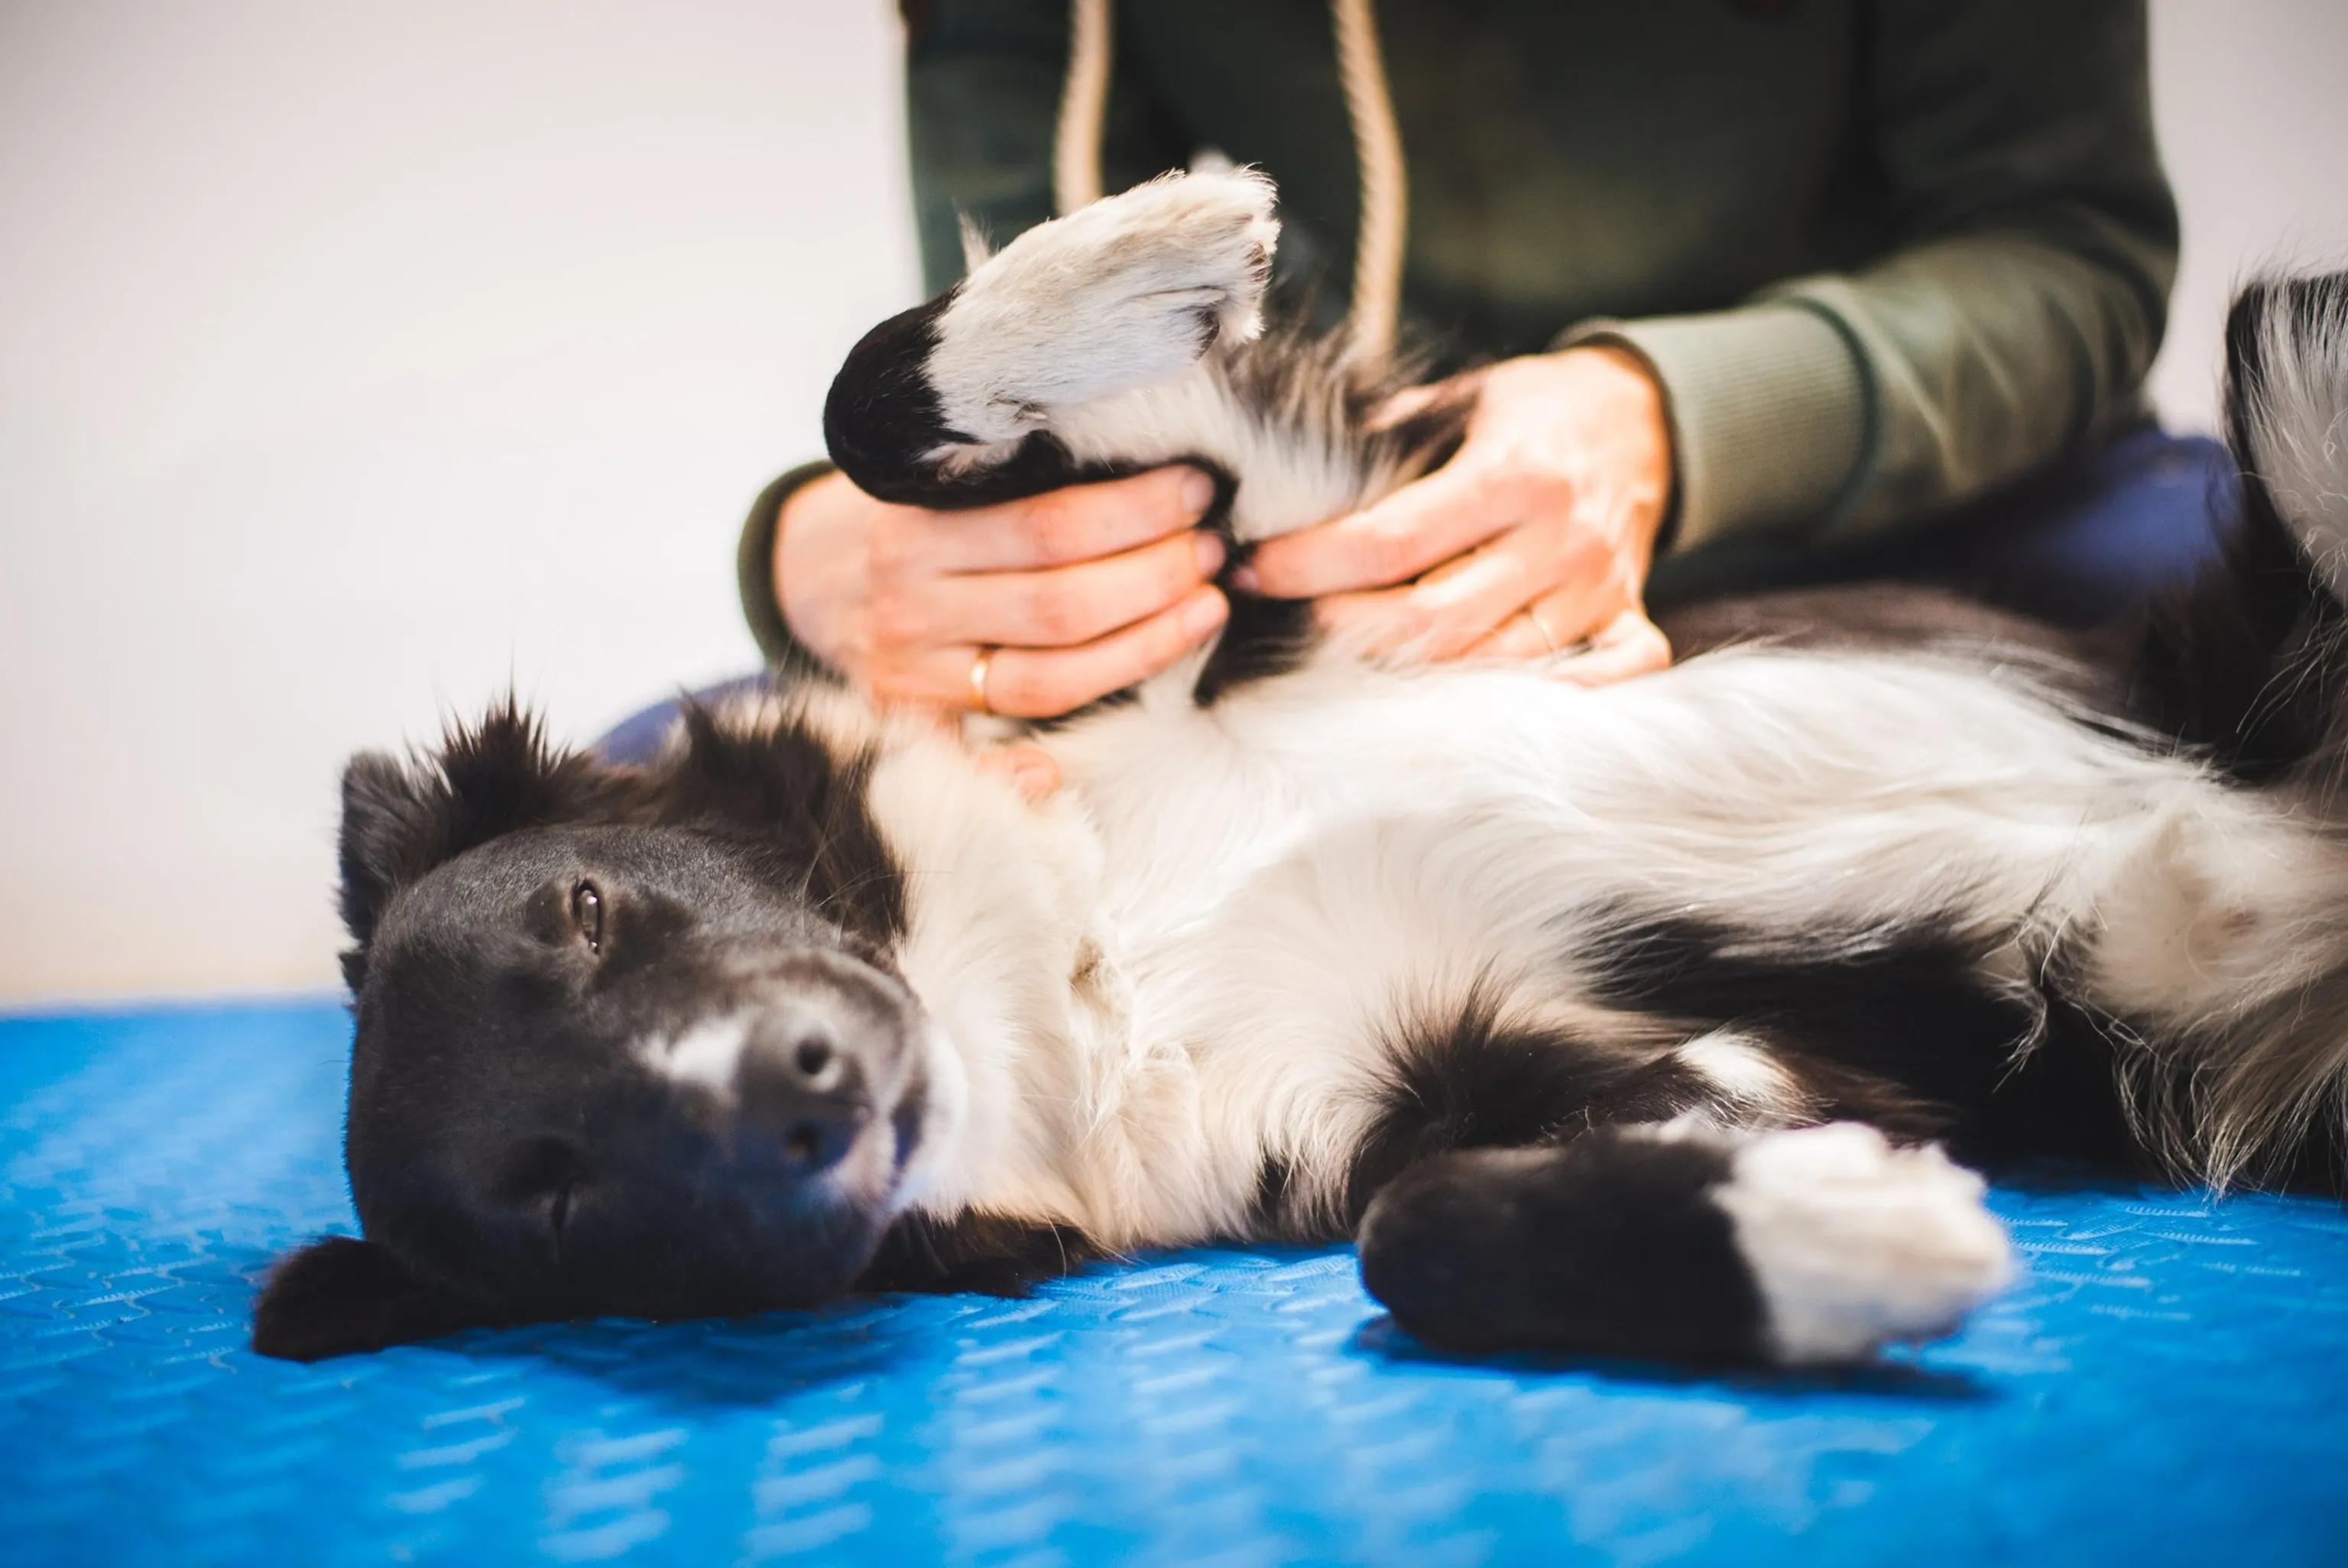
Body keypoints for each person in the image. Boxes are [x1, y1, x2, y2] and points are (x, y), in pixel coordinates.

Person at [689, 0, 2198, 757]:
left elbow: (2068, 248)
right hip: (1358, 591)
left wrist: (1669, 423)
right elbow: (1037, 340)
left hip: (1937, 519)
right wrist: (822, 555)